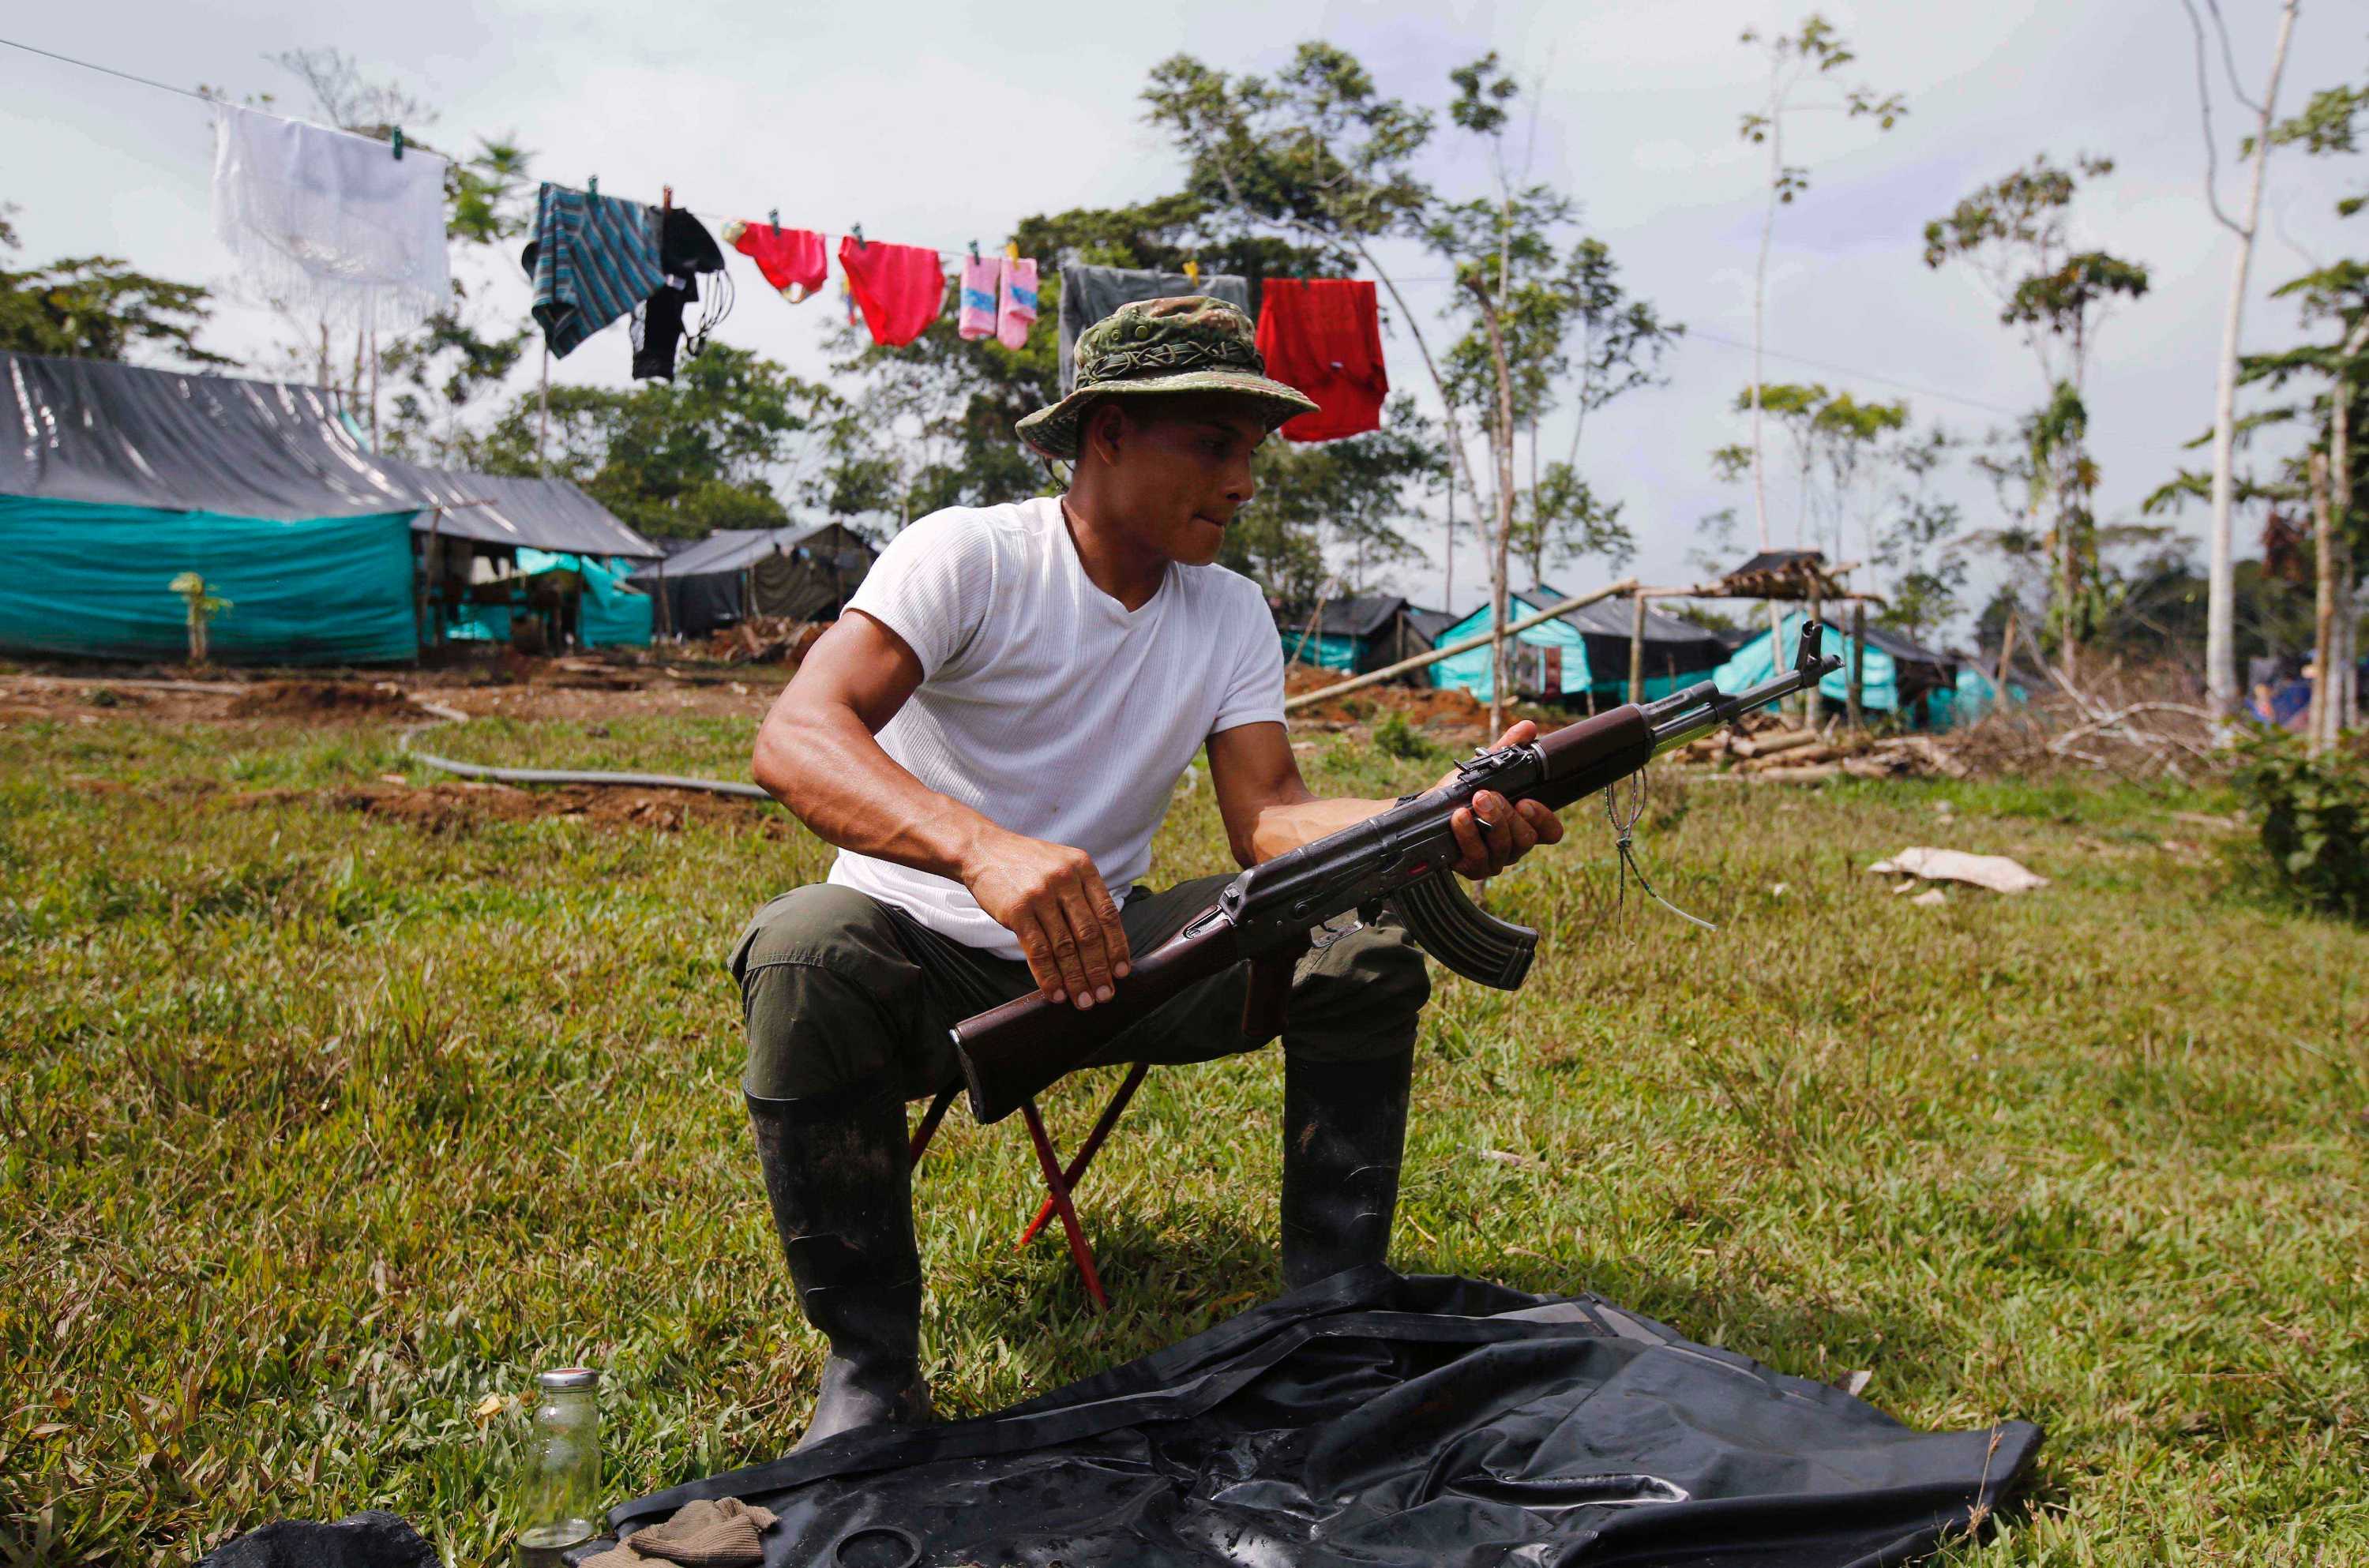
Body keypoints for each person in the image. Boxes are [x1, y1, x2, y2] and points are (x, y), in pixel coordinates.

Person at [736, 297, 1566, 1447]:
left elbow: (1268, 817)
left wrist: (1429, 819)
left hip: (1107, 960)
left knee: (1356, 948)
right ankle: (872, 1371)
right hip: (909, 958)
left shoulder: (1230, 612)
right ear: (1109, 432)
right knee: (801, 944)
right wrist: (982, 849)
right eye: (1214, 444)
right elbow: (797, 737)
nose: (1244, 481)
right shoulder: (969, 555)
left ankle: (1332, 1319)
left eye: (1252, 451)